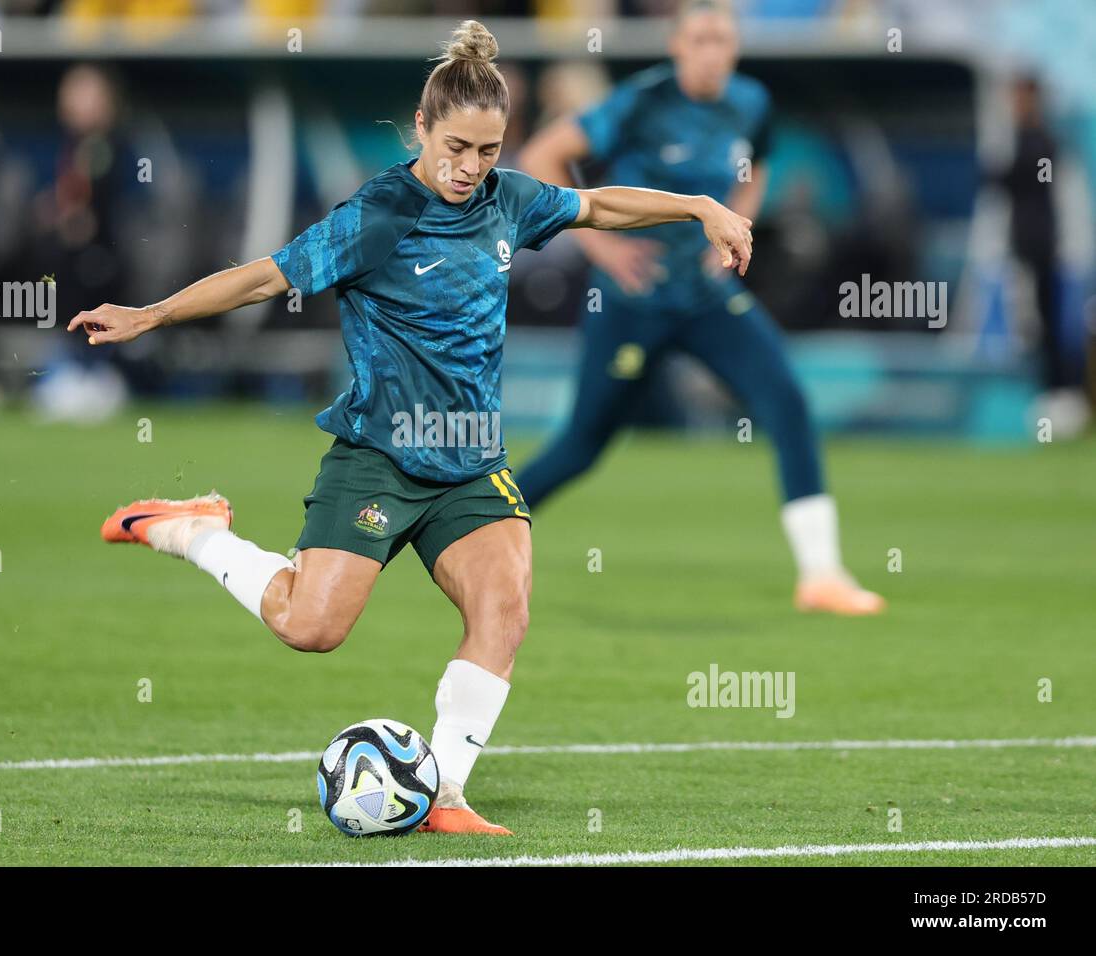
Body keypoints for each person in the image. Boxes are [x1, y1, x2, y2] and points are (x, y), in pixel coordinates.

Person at [67, 20, 752, 835]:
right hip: (379, 458)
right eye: (457, 147)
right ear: (422, 128)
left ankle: (448, 796)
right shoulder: (379, 214)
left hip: (470, 466)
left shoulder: (509, 200)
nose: (470, 168)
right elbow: (264, 277)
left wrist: (699, 205)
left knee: (505, 609)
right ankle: (191, 531)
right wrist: (152, 314)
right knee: (310, 628)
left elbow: (598, 204)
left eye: (489, 151)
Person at [516, 0, 883, 615]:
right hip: (634, 297)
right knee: (583, 443)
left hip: (709, 297)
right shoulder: (642, 100)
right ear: (677, 43)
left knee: (787, 402)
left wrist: (737, 224)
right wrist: (603, 252)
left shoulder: (751, 103)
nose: (712, 50)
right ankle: (469, 533)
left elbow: (756, 168)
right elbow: (539, 160)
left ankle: (821, 576)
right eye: (701, 38)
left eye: (722, 38)